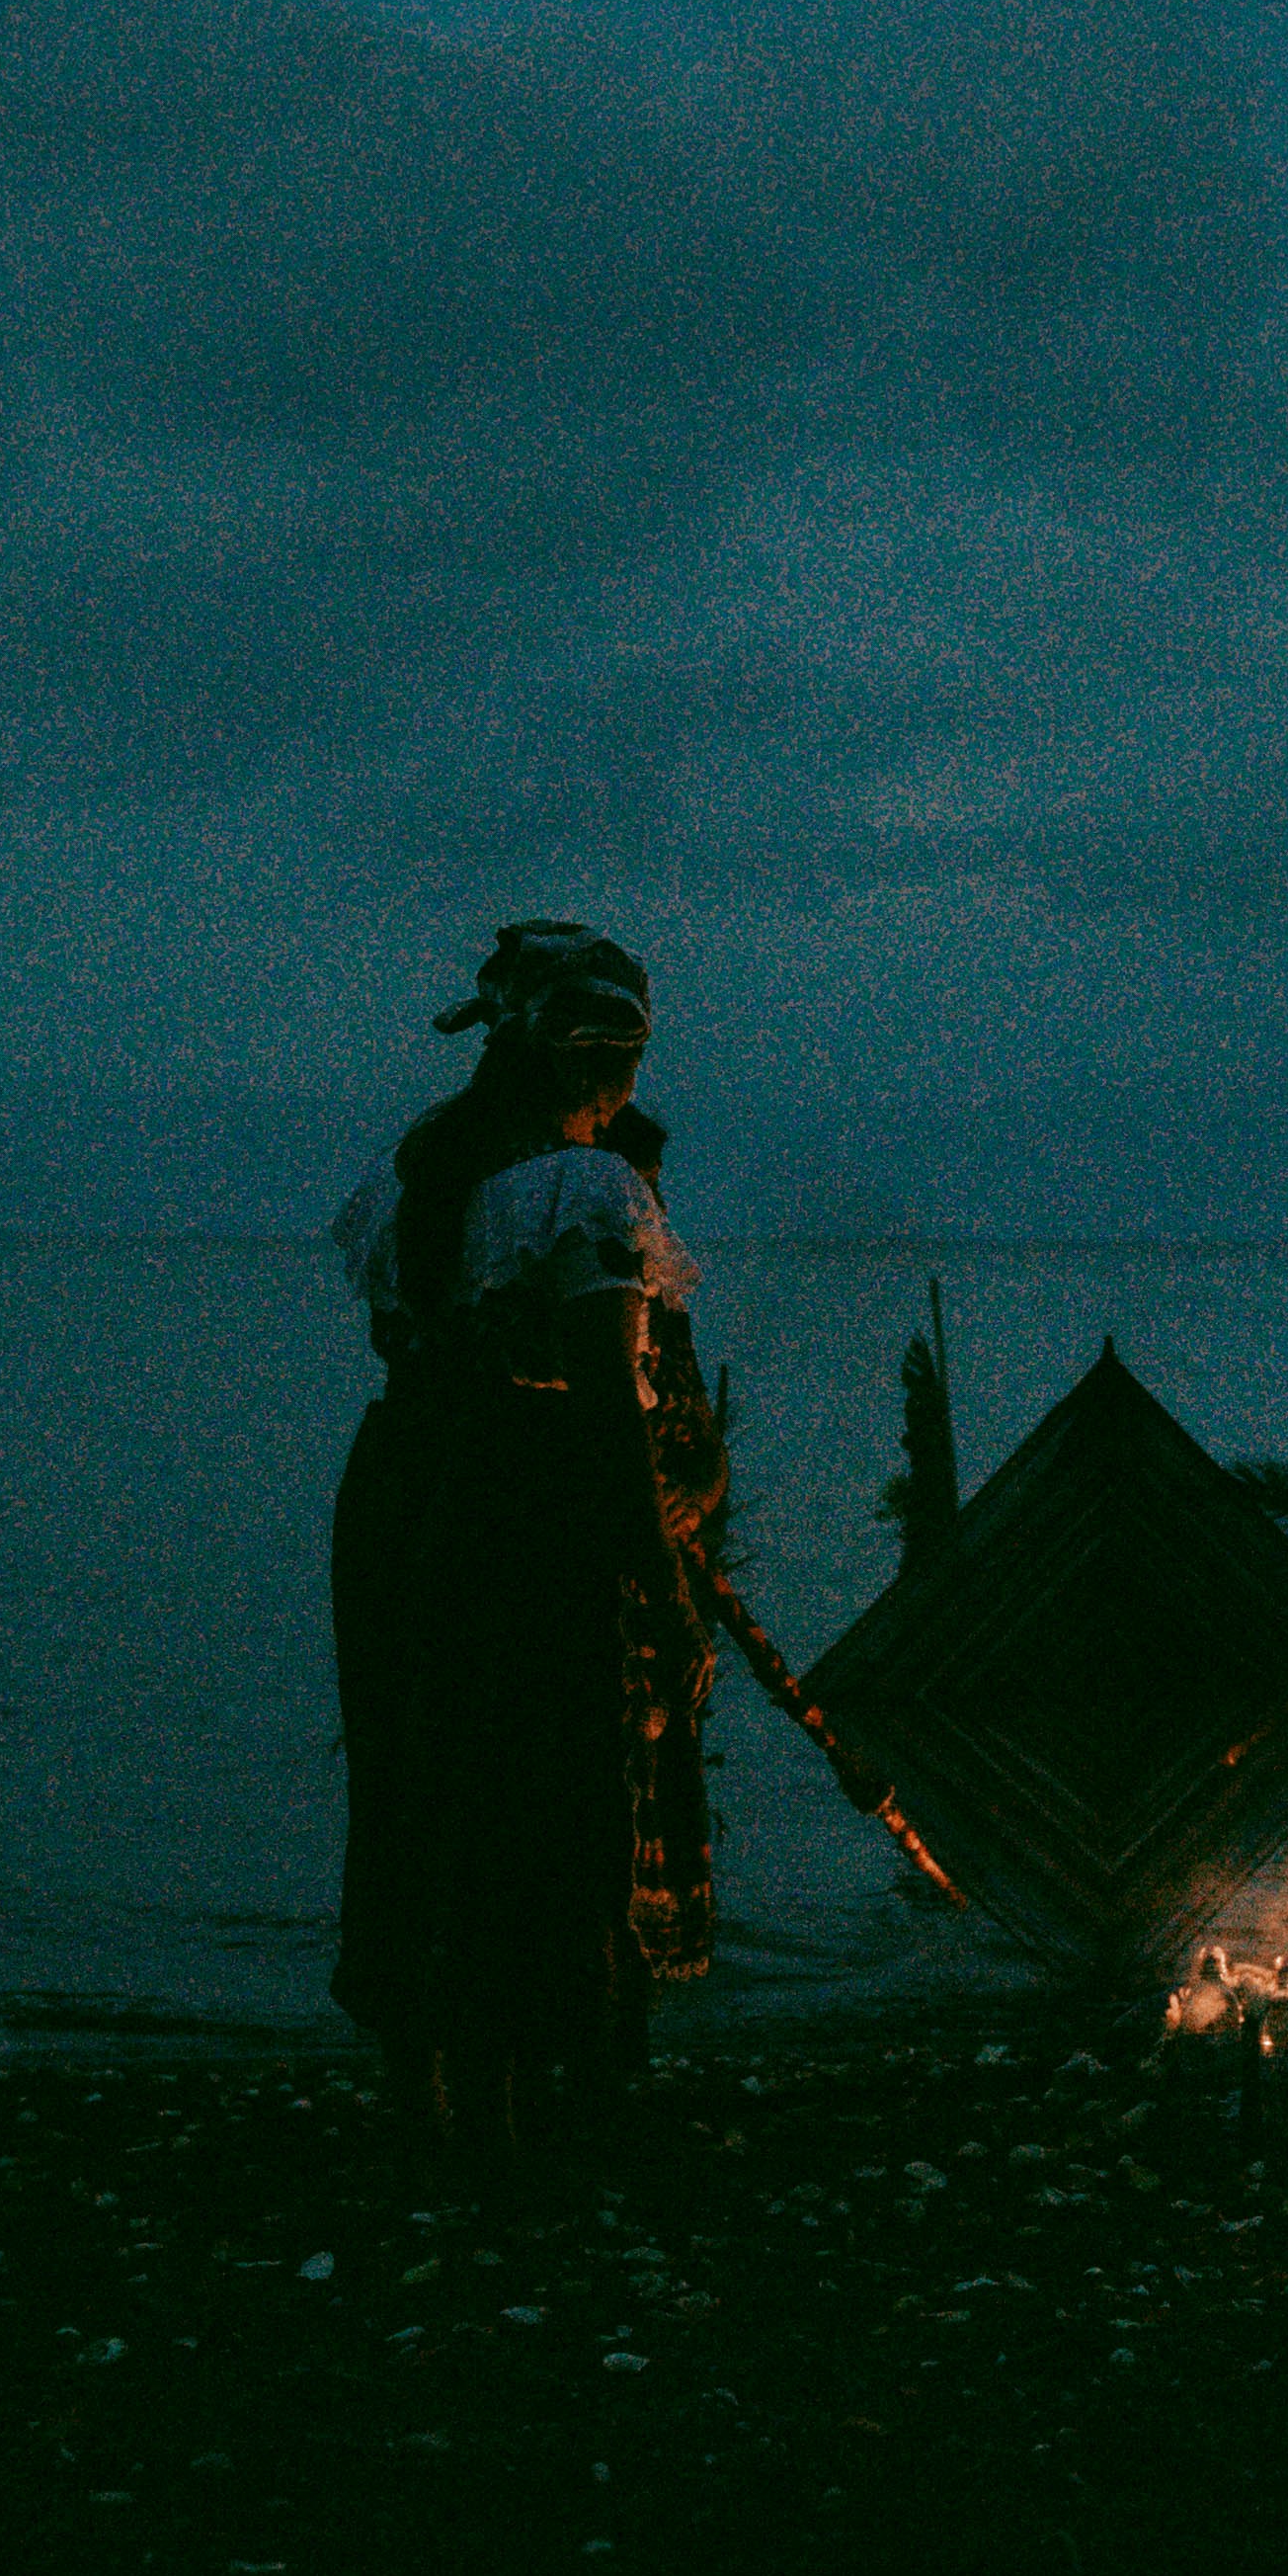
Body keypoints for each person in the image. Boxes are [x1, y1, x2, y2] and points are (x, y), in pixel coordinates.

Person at [325, 922, 730, 2157]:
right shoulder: (578, 1189)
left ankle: (428, 2087)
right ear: (595, 1056)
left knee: (416, 1780)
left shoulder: (420, 1187)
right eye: (621, 1052)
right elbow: (607, 1400)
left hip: (401, 1504)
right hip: (526, 1518)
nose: (628, 1079)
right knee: (541, 1796)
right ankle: (531, 2096)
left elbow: (421, 1359)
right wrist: (662, 1588)